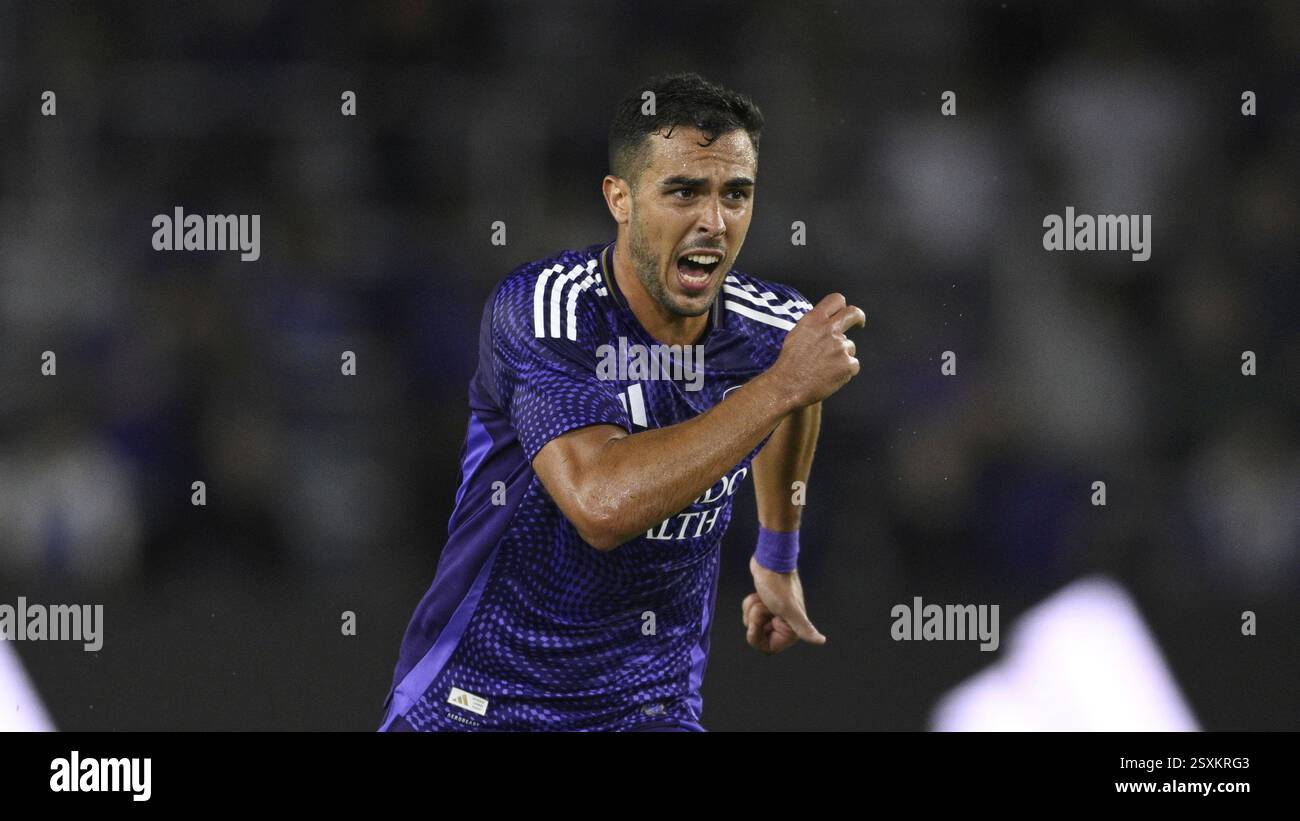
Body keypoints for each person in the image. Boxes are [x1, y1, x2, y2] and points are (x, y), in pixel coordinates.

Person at [380, 72, 864, 731]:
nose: (714, 222)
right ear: (621, 197)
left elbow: (797, 400)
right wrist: (780, 386)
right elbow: (602, 506)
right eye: (685, 191)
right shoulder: (544, 311)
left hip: (649, 708)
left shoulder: (772, 328)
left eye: (737, 194)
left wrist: (776, 553)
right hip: (477, 702)